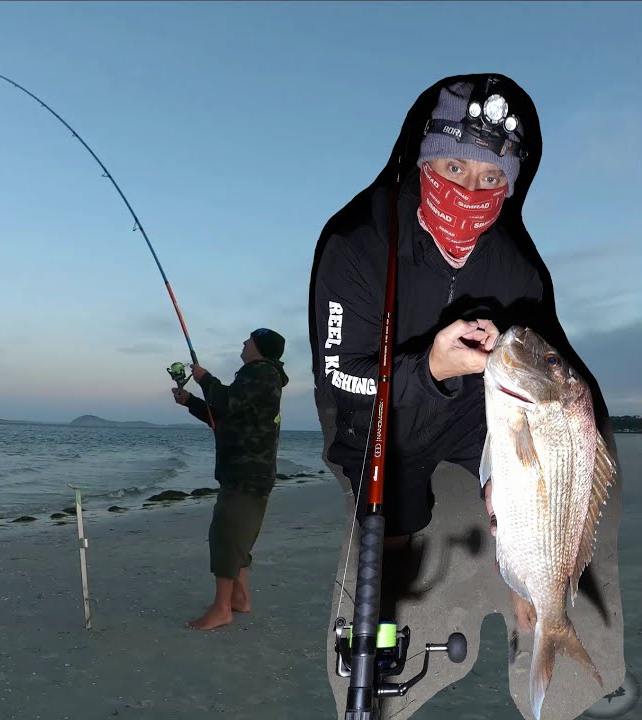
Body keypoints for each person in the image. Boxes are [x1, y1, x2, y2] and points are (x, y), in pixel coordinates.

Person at [308, 74, 550, 621]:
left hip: (475, 407)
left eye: (492, 177)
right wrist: (428, 369)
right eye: (454, 167)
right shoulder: (358, 244)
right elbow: (339, 379)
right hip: (388, 408)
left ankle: (530, 584)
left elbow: (530, 383)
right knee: (393, 509)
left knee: (548, 462)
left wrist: (507, 472)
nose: (471, 191)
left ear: (510, 187)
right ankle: (390, 591)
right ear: (425, 163)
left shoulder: (520, 271)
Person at [172, 328, 289, 630]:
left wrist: (204, 378)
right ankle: (240, 599)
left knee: (225, 537)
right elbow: (222, 415)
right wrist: (189, 401)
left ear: (260, 348)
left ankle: (221, 608)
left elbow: (225, 400)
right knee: (237, 539)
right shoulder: (258, 376)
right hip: (248, 472)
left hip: (246, 473)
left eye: (249, 341)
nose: (244, 344)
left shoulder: (261, 373)